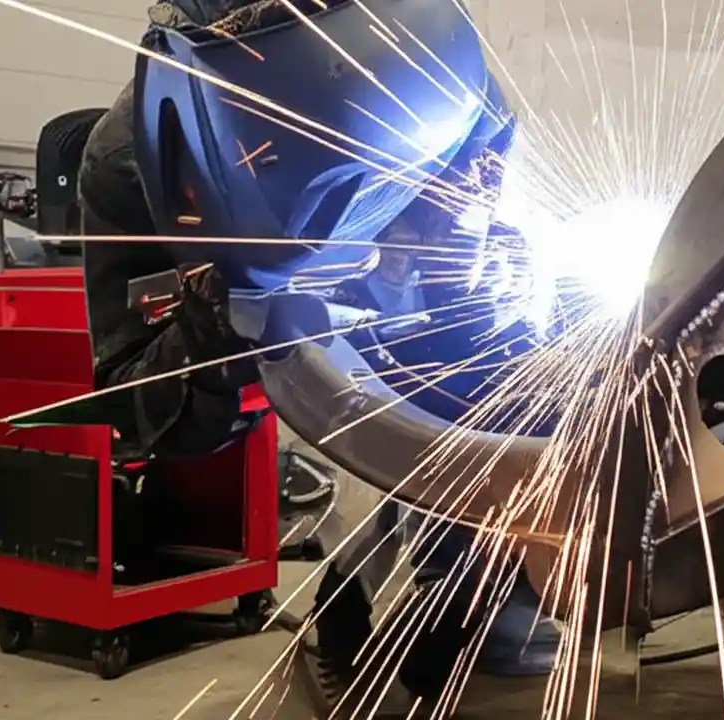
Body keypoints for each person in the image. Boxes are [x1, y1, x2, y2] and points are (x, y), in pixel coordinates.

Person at [75, 0, 558, 706]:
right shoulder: (135, 162)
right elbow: (139, 404)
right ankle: (343, 618)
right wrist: (211, 323)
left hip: (416, 276)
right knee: (368, 448)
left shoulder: (433, 54)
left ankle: (486, 600)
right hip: (288, 316)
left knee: (506, 389)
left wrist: (483, 235)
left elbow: (489, 169)